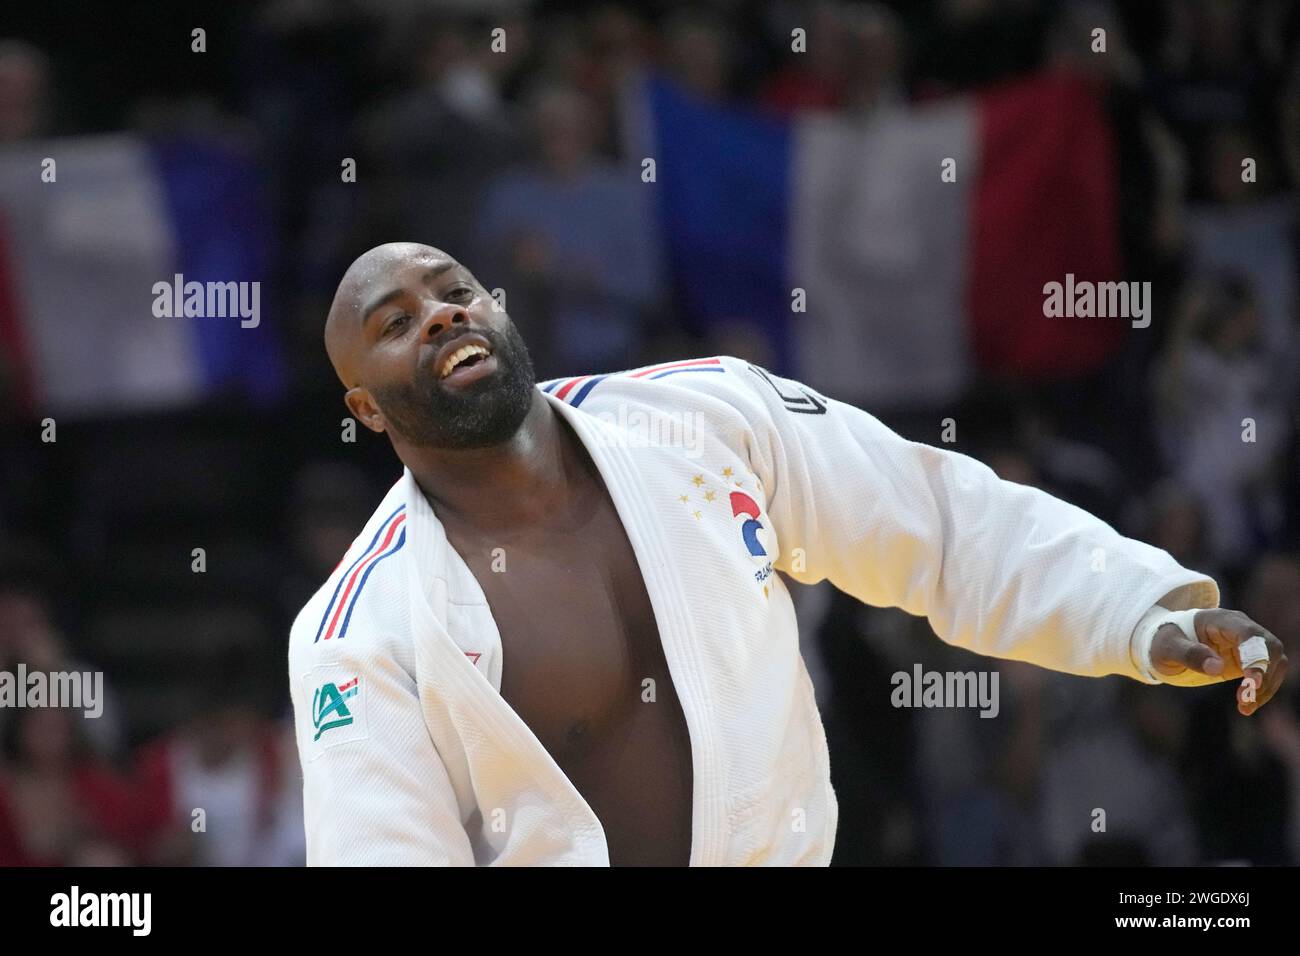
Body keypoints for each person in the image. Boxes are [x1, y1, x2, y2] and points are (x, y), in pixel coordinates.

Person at [288, 242, 1288, 866]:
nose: (443, 314)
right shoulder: (359, 631)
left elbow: (938, 523)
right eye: (398, 321)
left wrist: (1144, 607)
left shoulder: (707, 412)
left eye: (454, 289)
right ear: (365, 406)